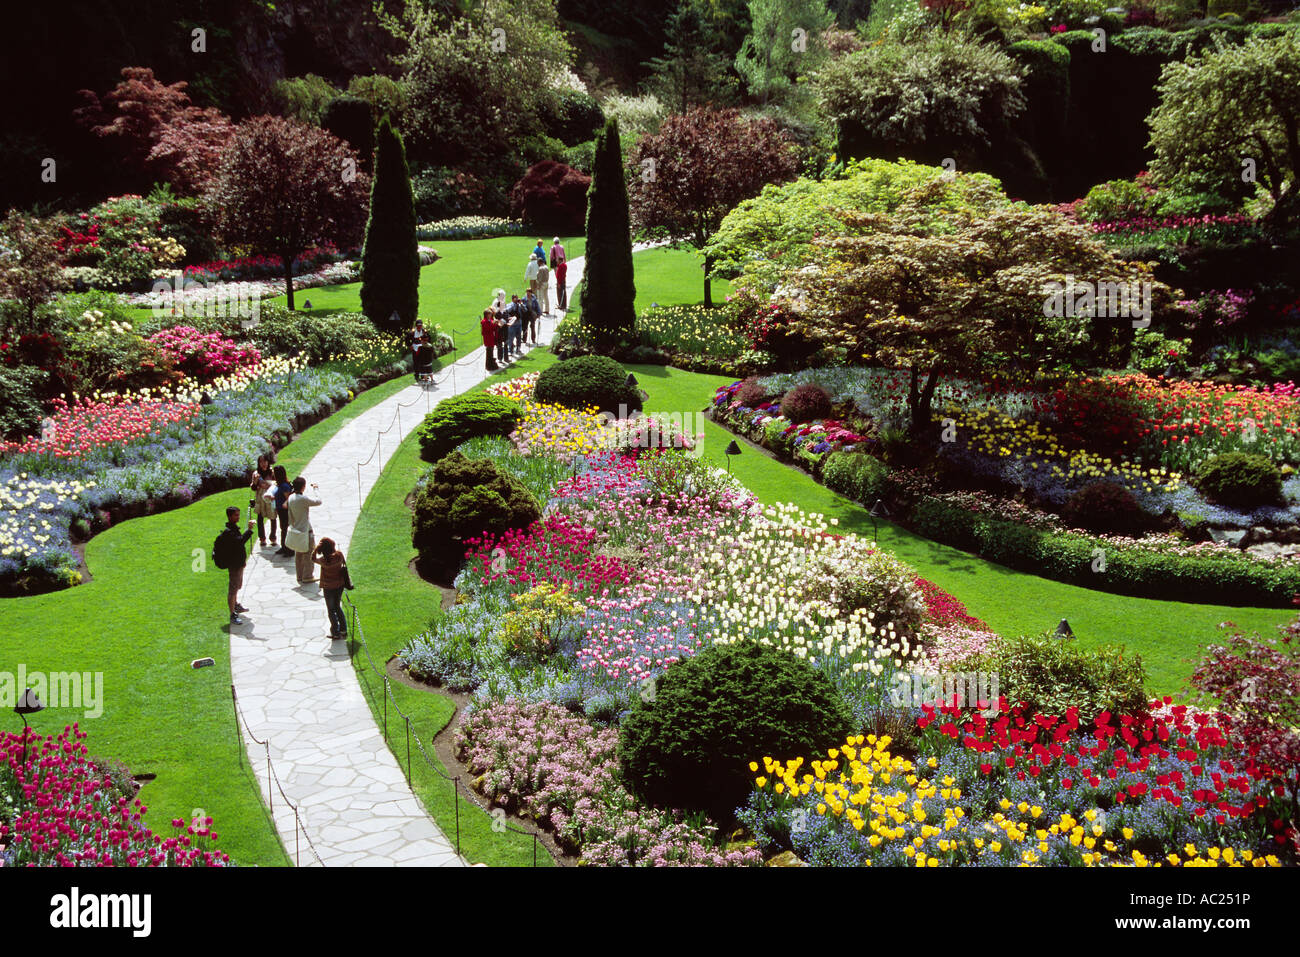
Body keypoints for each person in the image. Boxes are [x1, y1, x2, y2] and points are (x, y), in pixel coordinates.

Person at [216, 505, 254, 625]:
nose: (238, 517)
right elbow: (240, 541)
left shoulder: (233, 529)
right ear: (230, 516)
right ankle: (232, 614)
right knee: (233, 589)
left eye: (238, 514)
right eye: (236, 515)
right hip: (234, 565)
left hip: (239, 563)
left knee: (238, 586)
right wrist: (249, 530)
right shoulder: (229, 532)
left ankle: (236, 605)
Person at [286, 477, 322, 584]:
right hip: (306, 531)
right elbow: (319, 501)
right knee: (309, 552)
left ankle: (300, 575)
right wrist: (316, 489)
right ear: (303, 487)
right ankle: (308, 576)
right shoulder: (303, 499)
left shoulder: (291, 498)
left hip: (296, 529)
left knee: (299, 553)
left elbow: (290, 515)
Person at [313, 538, 350, 639]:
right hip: (339, 585)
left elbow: (313, 559)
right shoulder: (339, 555)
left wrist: (316, 549)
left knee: (331, 610)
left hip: (328, 587)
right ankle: (343, 630)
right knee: (337, 607)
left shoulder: (323, 561)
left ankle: (335, 632)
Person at [249, 453, 277, 547]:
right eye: (261, 462)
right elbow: (253, 488)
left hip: (270, 497)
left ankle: (273, 537)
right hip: (260, 498)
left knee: (273, 517)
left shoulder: (272, 472)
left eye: (265, 461)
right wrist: (255, 482)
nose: (263, 463)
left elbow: (277, 484)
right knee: (260, 518)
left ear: (268, 461)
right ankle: (262, 538)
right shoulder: (256, 474)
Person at [272, 465, 294, 557]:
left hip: (285, 511)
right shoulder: (280, 484)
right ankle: (284, 547)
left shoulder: (284, 486)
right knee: (283, 529)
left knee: (285, 529)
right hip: (280, 510)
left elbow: (288, 498)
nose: (272, 473)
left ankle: (289, 550)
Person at [553, 244, 568, 311]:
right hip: (563, 280)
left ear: (560, 260)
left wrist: (559, 283)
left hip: (560, 281)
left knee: (560, 293)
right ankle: (563, 304)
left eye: (558, 260)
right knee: (563, 293)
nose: (557, 261)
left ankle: (561, 305)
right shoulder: (564, 265)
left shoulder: (561, 266)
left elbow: (559, 275)